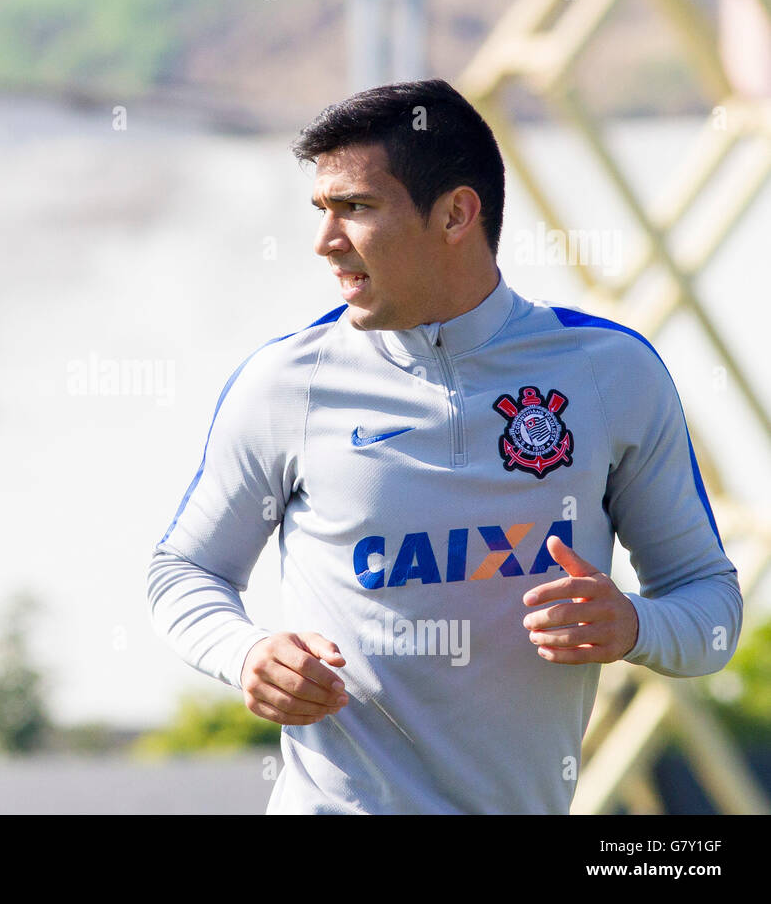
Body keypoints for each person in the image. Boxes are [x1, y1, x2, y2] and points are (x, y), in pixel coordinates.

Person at [145, 78, 743, 814]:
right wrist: (246, 654)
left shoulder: (610, 373)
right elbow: (183, 572)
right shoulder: (286, 384)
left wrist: (635, 624)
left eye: (355, 209)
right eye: (321, 211)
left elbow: (711, 606)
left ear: (457, 213)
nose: (325, 242)